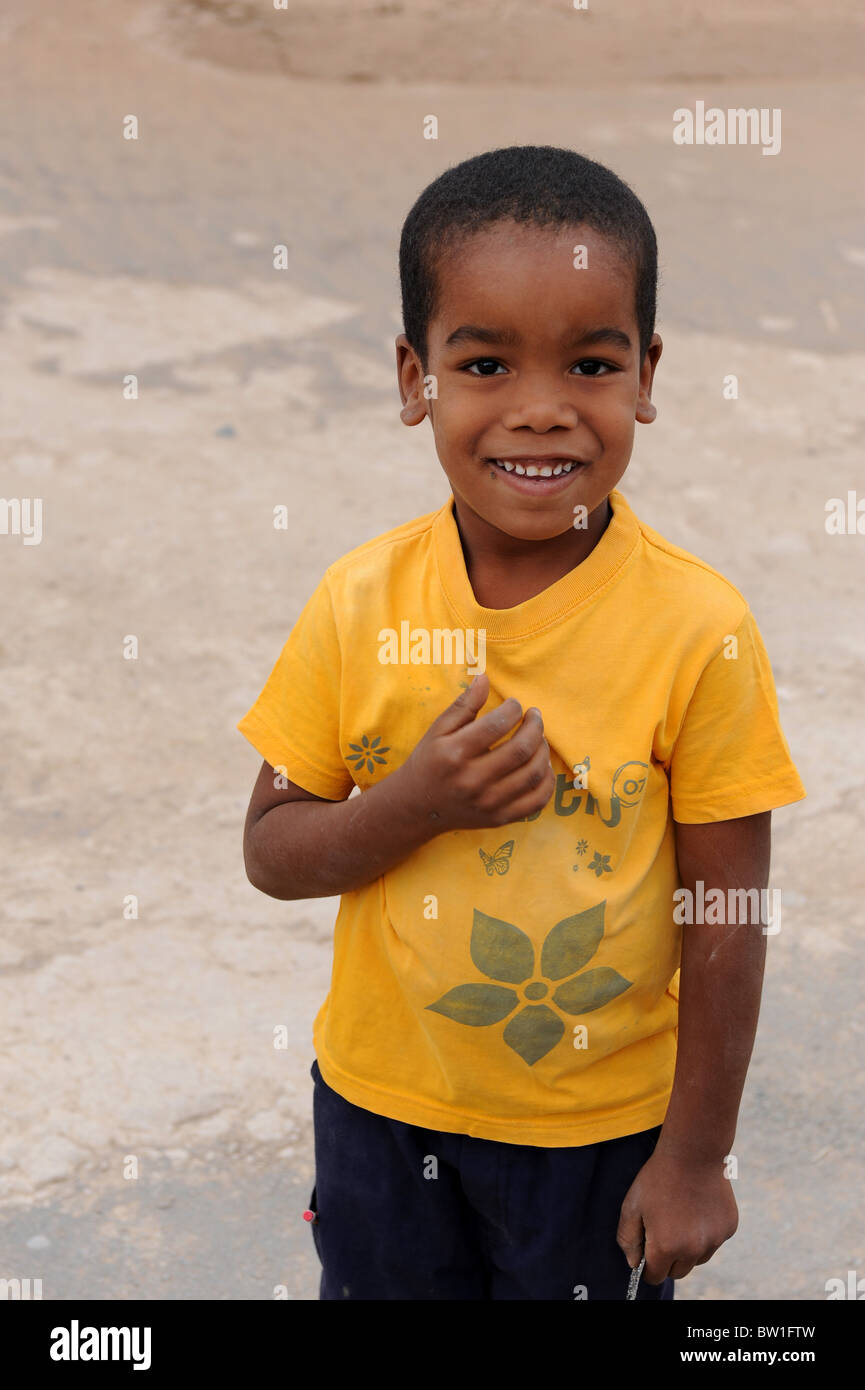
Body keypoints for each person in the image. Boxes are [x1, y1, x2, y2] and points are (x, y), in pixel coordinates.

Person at [237, 145, 806, 1300]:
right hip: (385, 1115)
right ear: (416, 379)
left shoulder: (698, 628)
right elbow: (272, 851)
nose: (541, 410)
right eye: (485, 361)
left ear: (645, 373)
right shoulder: (361, 602)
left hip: (600, 1136)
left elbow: (728, 914)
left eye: (589, 363)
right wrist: (414, 805)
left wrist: (695, 1157)